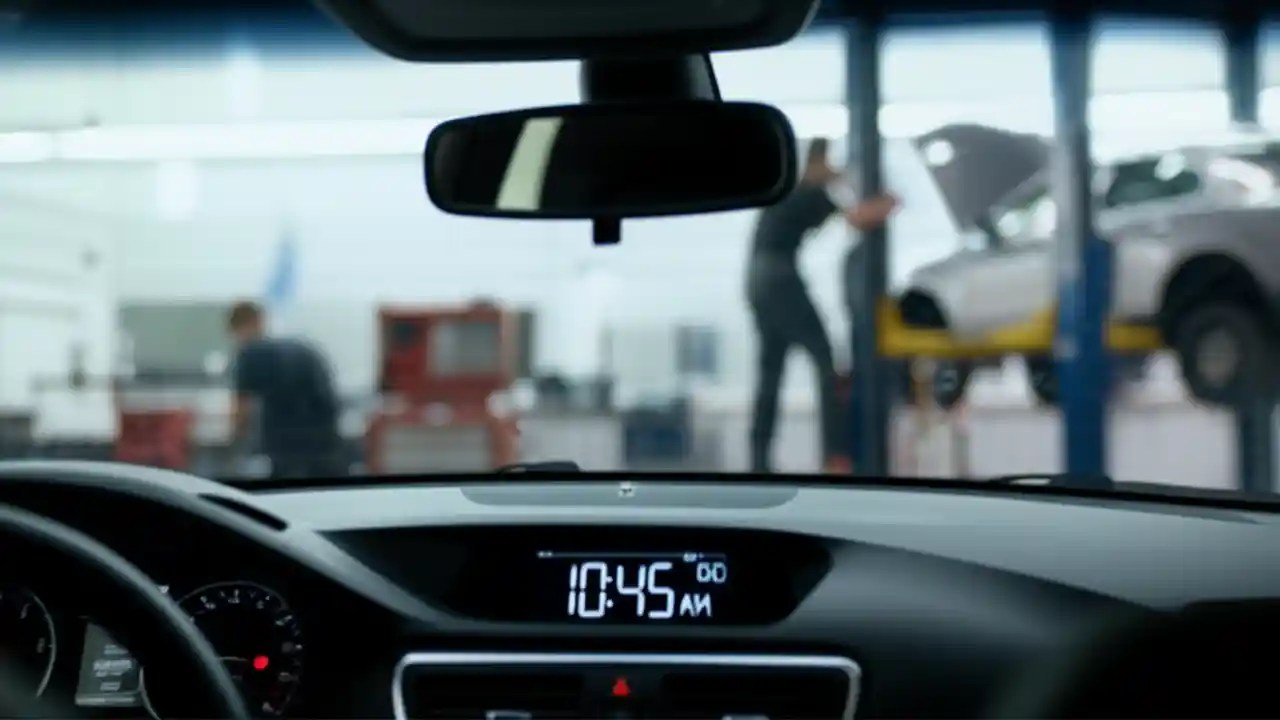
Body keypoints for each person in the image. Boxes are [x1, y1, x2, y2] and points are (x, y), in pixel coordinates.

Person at [747, 137, 898, 473]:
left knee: (770, 374)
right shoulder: (809, 193)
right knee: (825, 360)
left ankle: (758, 462)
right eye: (829, 162)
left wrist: (843, 179)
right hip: (780, 279)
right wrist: (889, 203)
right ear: (818, 161)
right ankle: (835, 455)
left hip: (756, 282)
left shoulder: (788, 192)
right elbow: (858, 218)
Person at [227, 301, 344, 479]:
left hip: (285, 448)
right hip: (324, 441)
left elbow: (241, 411)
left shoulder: (250, 353)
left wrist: (233, 445)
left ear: (238, 328)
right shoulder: (301, 347)